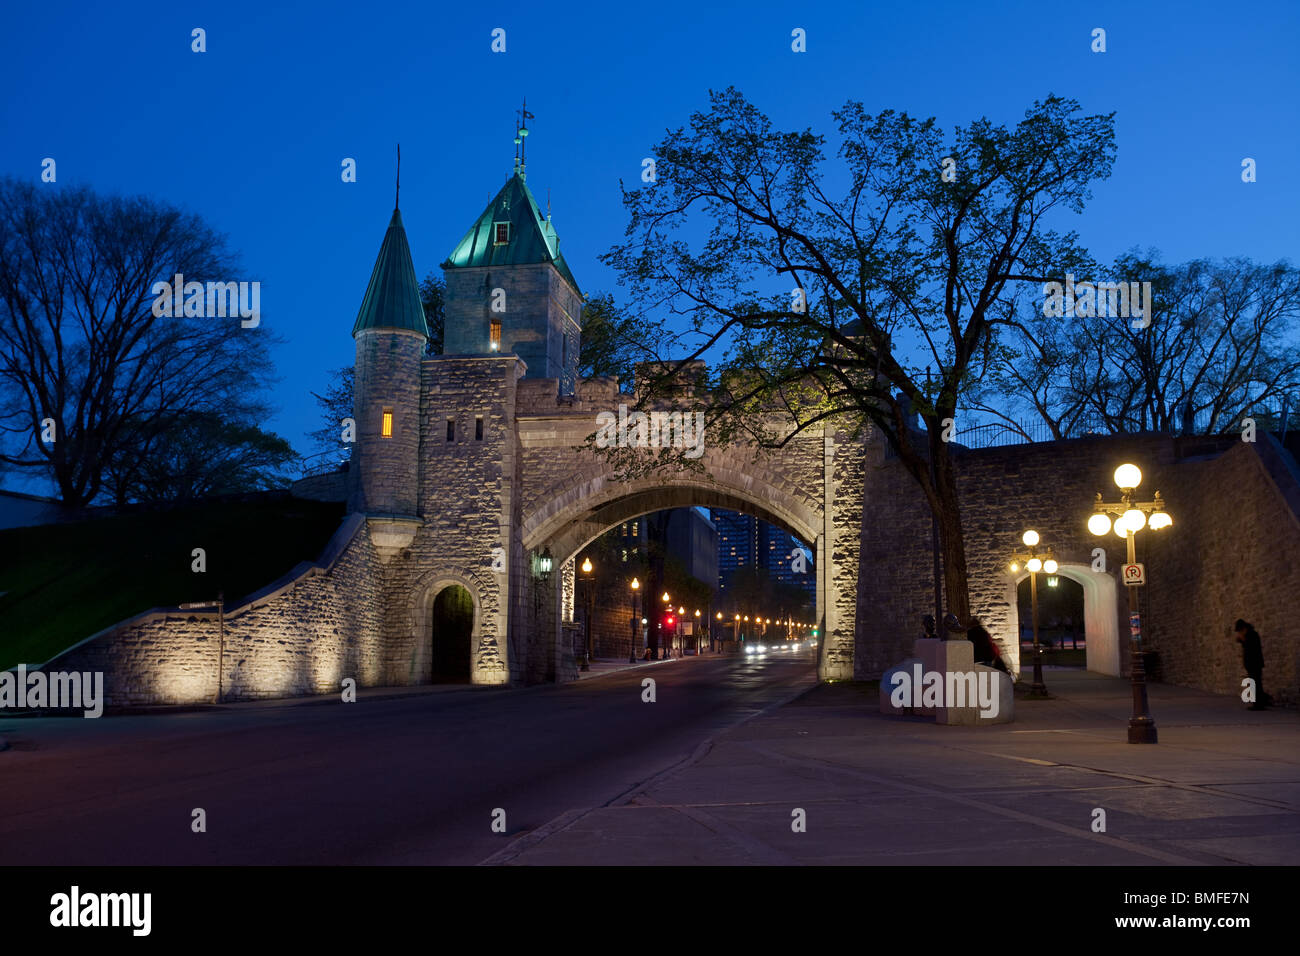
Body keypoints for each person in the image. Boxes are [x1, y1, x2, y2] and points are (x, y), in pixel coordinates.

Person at [1234, 619, 1269, 710]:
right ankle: (1260, 702)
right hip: (1252, 664)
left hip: (1254, 664)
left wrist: (1243, 640)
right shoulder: (1250, 636)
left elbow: (1251, 649)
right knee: (1255, 683)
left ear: (1244, 628)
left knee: (1255, 683)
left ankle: (1258, 704)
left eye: (1240, 631)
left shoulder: (1252, 635)